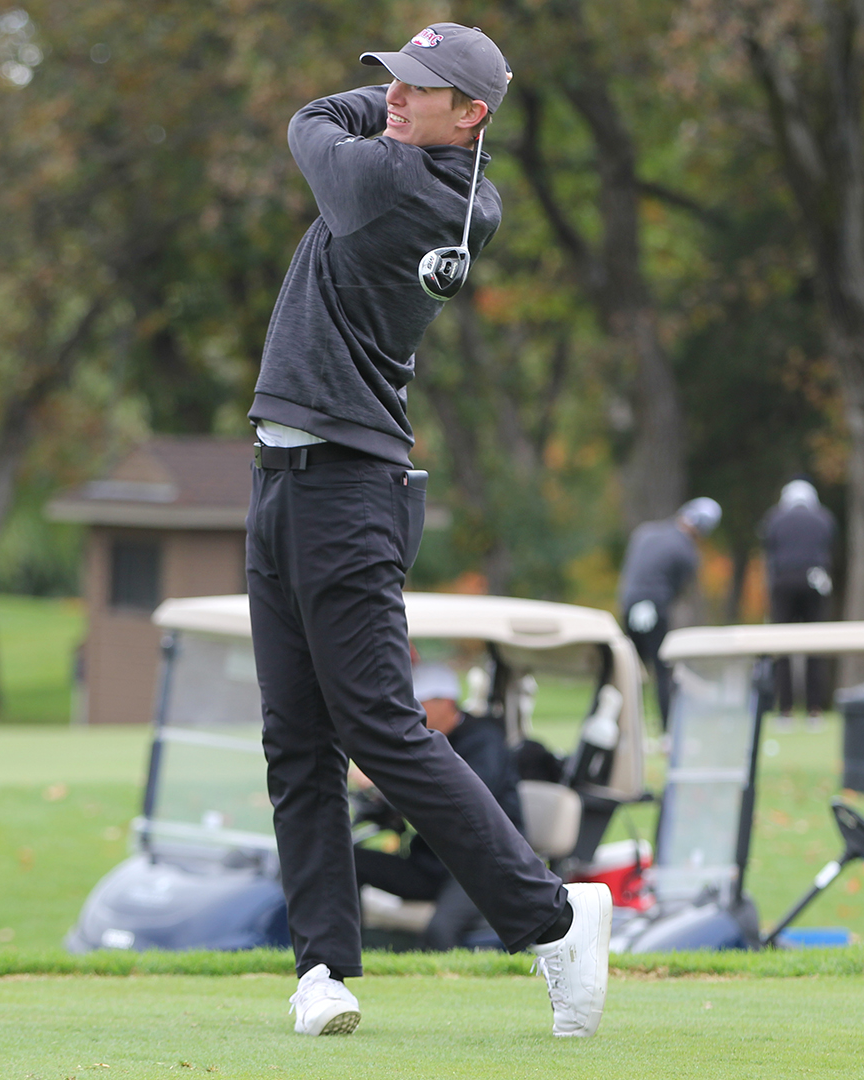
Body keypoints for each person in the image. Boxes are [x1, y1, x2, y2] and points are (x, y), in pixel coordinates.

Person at [243, 24, 609, 1039]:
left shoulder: (393, 188)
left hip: (345, 487)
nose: (394, 97)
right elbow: (362, 125)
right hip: (284, 478)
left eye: (421, 88)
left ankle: (556, 919)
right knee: (295, 740)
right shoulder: (439, 185)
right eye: (391, 80)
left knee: (378, 729)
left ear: (474, 114)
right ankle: (324, 969)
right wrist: (403, 114)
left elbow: (310, 120)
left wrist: (373, 119)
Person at [351, 663, 524, 951]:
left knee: (439, 931)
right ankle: (348, 954)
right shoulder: (420, 742)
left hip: (480, 867)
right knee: (348, 861)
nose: (410, 713)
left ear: (446, 702)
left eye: (418, 704)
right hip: (433, 863)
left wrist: (384, 785)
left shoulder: (484, 741)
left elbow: (461, 806)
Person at [618, 497, 720, 729]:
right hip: (654, 607)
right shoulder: (687, 552)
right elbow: (675, 591)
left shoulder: (645, 532)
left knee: (627, 669)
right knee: (662, 671)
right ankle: (668, 730)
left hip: (629, 605)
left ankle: (620, 726)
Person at [760, 479, 836, 725]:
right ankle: (814, 709)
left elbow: (768, 549)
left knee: (782, 647)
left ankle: (786, 710)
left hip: (783, 582)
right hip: (815, 582)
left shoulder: (775, 518)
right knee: (814, 646)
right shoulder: (824, 518)